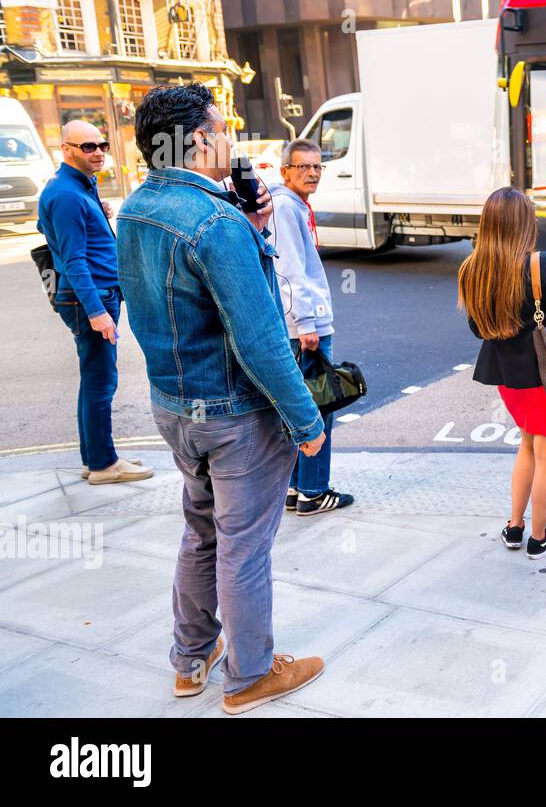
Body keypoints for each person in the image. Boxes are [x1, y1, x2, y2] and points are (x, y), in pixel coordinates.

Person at [116, 83, 326, 715]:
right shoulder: (215, 223)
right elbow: (261, 340)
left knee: (202, 533)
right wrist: (305, 419)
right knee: (243, 546)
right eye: (223, 128)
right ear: (199, 139)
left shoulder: (133, 209)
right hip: (235, 415)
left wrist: (254, 225)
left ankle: (190, 659)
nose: (231, 139)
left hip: (175, 407)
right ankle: (251, 675)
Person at [459, 187, 546, 560]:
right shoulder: (538, 264)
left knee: (527, 445)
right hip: (545, 375)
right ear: (523, 222)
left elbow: (477, 328)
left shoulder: (472, 267)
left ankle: (515, 526)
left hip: (508, 379)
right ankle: (539, 537)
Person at [37, 120, 153, 485]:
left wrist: (94, 214)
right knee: (102, 382)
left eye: (101, 144)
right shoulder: (68, 195)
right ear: (66, 149)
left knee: (93, 380)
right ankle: (104, 465)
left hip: (91, 295)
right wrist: (97, 312)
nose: (99, 151)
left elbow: (48, 229)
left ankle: (96, 458)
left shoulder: (74, 189)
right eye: (88, 146)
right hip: (90, 298)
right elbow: (72, 260)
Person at [268, 138, 352, 517]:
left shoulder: (290, 205)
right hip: (305, 326)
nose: (313, 173)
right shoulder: (286, 207)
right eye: (303, 167)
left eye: (317, 166)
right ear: (285, 171)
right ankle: (314, 492)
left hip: (300, 324)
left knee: (302, 406)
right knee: (319, 407)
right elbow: (291, 270)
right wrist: (306, 323)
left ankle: (296, 488)